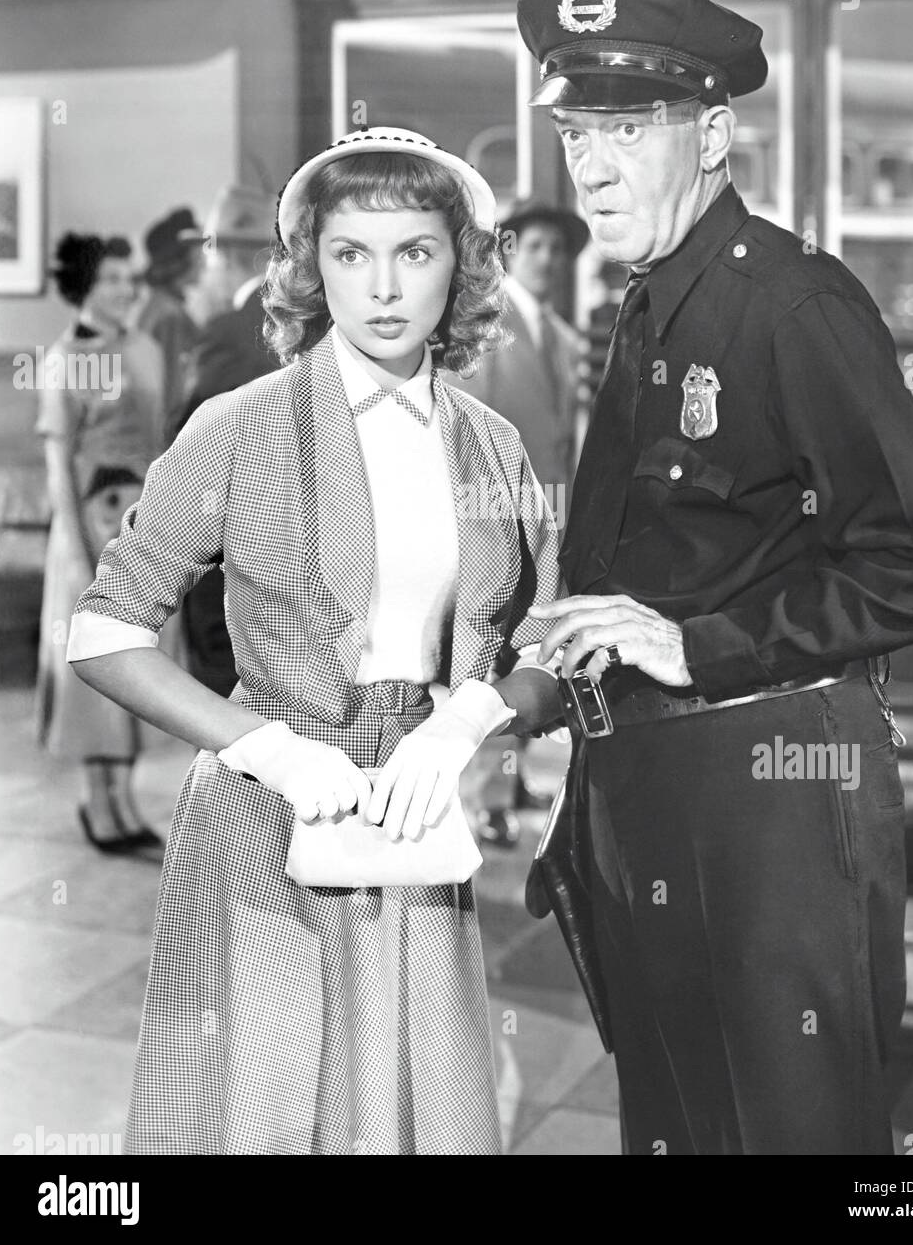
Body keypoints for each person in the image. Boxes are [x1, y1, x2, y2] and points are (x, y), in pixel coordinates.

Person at [518, 0, 913, 1155]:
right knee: (678, 1121)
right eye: (577, 132)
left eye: (628, 130)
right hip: (648, 783)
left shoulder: (792, 306)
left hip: (774, 795)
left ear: (715, 134)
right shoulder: (649, 303)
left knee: (791, 1132)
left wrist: (697, 644)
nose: (591, 166)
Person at [65, 127, 564, 1155]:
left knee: (415, 1108)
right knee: (273, 1105)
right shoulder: (238, 426)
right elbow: (103, 628)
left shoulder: (491, 444)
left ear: (460, 263)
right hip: (265, 822)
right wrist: (265, 746)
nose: (382, 286)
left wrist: (458, 727)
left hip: (417, 822)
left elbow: (549, 643)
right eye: (350, 253)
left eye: (415, 252)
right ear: (310, 264)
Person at [446, 195, 588, 846]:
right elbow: (469, 440)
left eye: (556, 250)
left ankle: (512, 778)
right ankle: (480, 795)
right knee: (486, 660)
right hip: (494, 525)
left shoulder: (559, 334)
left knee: (531, 653)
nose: (547, 260)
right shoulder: (487, 332)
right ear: (508, 252)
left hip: (546, 525)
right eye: (534, 247)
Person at [35, 232, 170, 854]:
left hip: (143, 524)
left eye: (129, 278)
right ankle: (98, 802)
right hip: (87, 528)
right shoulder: (66, 358)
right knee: (95, 661)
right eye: (111, 278)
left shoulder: (143, 348)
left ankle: (124, 797)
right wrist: (79, 551)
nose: (124, 290)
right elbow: (58, 464)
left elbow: (164, 441)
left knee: (140, 658)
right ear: (85, 285)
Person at [168, 185, 280, 696]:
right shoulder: (321, 326)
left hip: (236, 563)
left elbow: (192, 453)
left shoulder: (226, 334)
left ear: (224, 254)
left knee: (229, 730)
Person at [133, 207, 203, 430]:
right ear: (182, 259)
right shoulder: (169, 315)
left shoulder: (158, 305)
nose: (204, 260)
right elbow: (170, 399)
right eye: (199, 251)